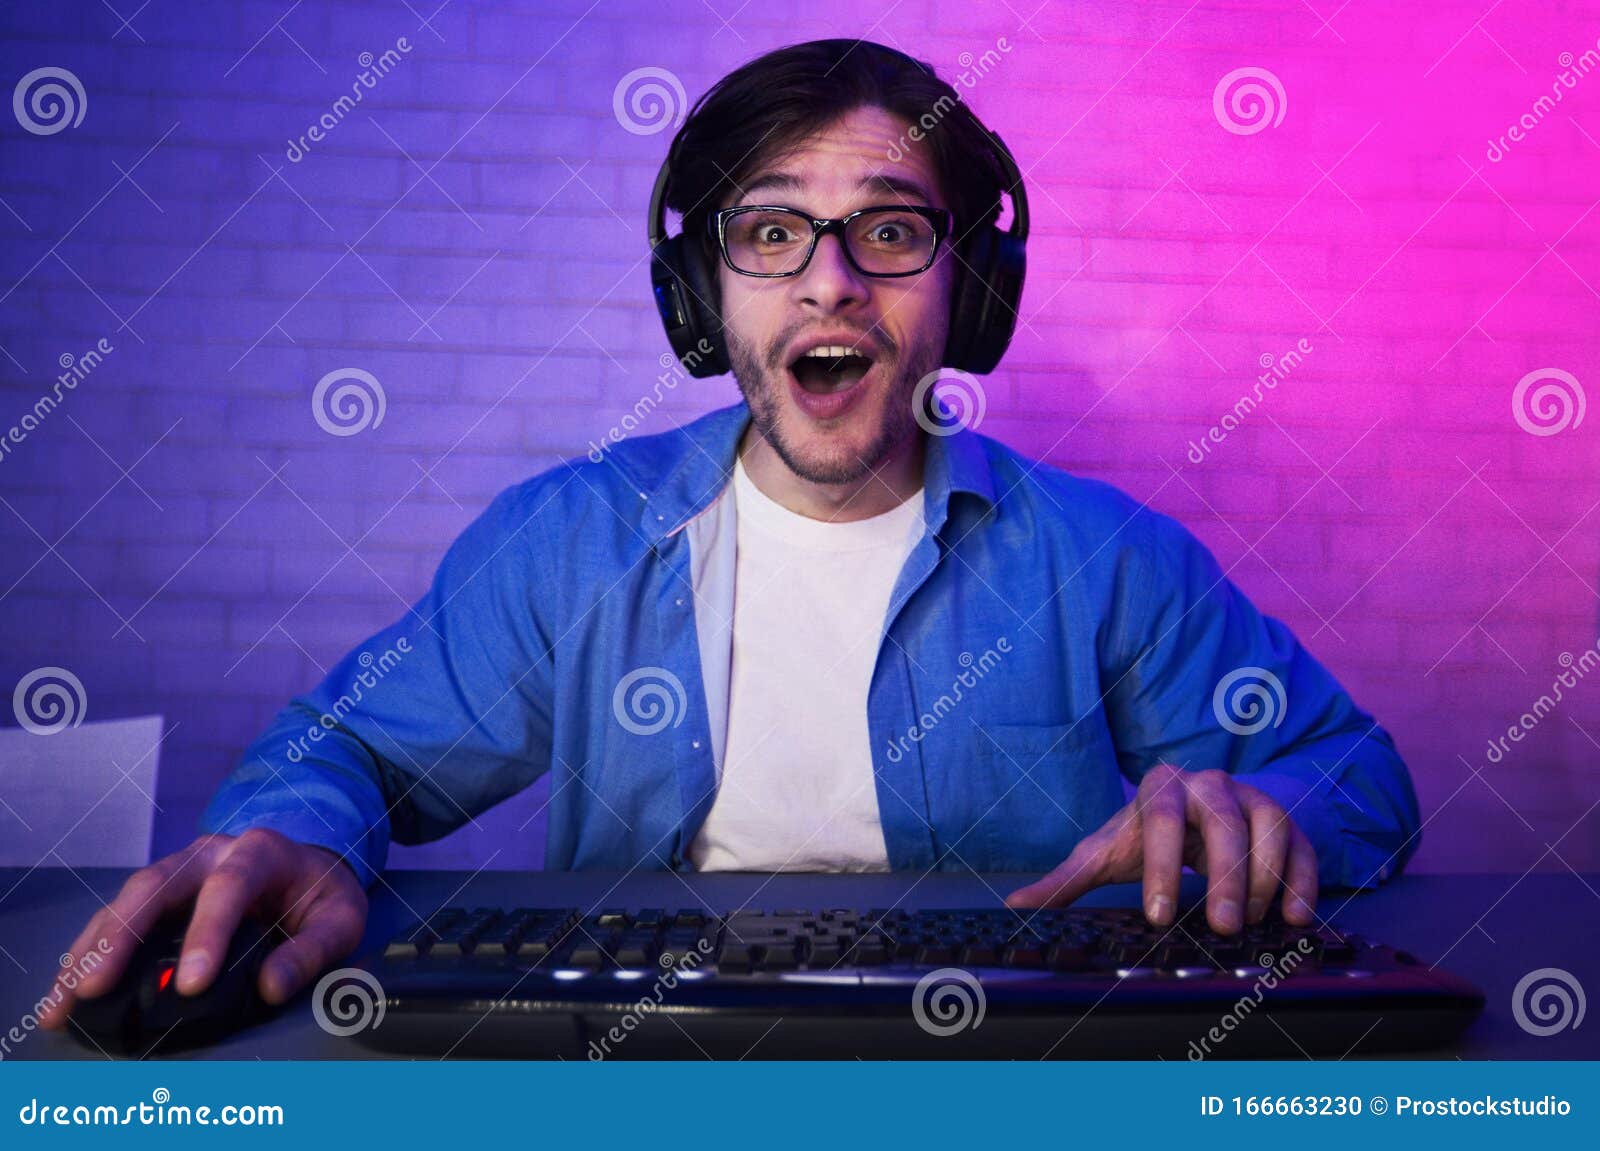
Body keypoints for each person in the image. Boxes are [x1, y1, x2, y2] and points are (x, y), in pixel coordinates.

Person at [42, 39, 1419, 1027]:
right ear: (701, 299)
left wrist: (1273, 811)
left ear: (971, 293)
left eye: (890, 231)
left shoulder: (1108, 560)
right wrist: (311, 837)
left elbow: (1354, 771)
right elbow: (341, 747)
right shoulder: (570, 548)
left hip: (1009, 1074)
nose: (830, 283)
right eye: (770, 233)